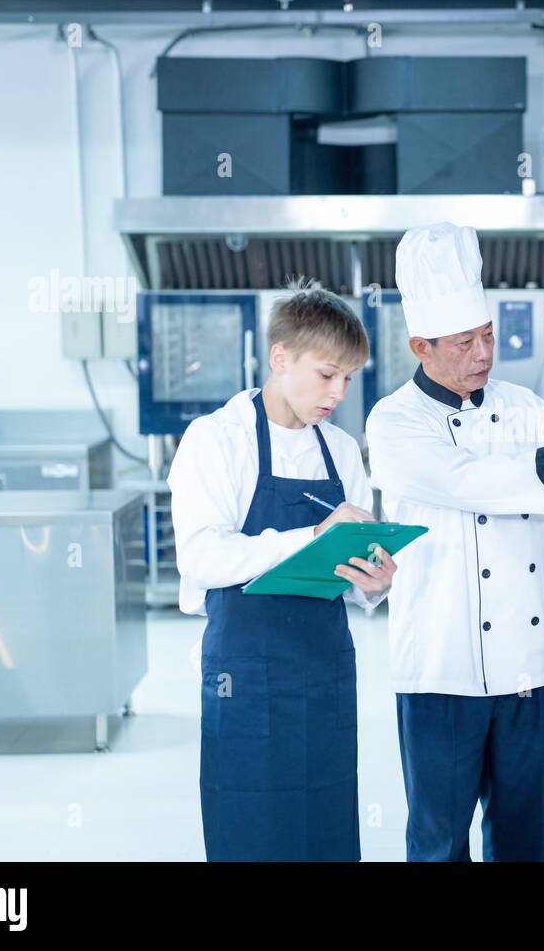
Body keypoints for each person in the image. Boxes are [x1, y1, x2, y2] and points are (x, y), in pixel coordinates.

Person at [365, 222, 544, 861]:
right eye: (465, 341)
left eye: (489, 335)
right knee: (440, 838)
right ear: (421, 344)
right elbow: (469, 482)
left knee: (528, 835)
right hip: (440, 663)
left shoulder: (525, 407)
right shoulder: (393, 421)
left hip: (529, 660)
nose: (483, 352)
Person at [168, 280, 397, 861]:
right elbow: (201, 556)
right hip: (245, 673)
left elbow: (351, 574)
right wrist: (311, 537)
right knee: (250, 821)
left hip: (323, 669)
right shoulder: (216, 440)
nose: (339, 392)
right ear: (280, 358)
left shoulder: (341, 450)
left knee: (326, 818)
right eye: (326, 374)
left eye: (348, 377)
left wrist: (375, 582)